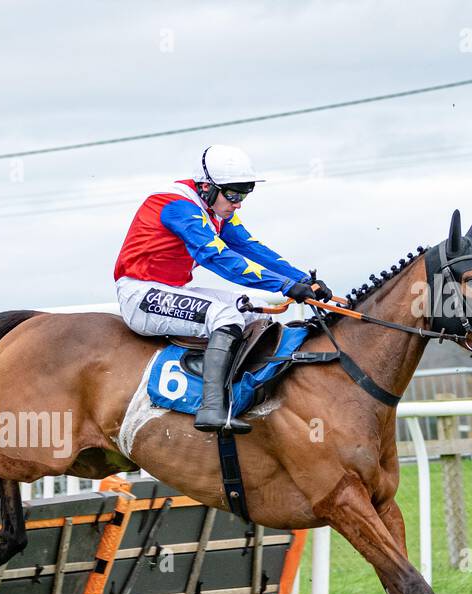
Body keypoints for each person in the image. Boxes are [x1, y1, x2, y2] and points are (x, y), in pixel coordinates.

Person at [113, 146, 332, 433]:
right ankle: (211, 407)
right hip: (140, 294)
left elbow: (250, 247)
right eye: (233, 195)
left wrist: (302, 279)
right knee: (226, 317)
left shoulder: (215, 208)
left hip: (170, 290)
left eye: (244, 194)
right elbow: (217, 257)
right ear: (206, 187)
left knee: (254, 309)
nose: (238, 203)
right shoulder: (176, 205)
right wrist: (284, 285)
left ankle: (250, 394)